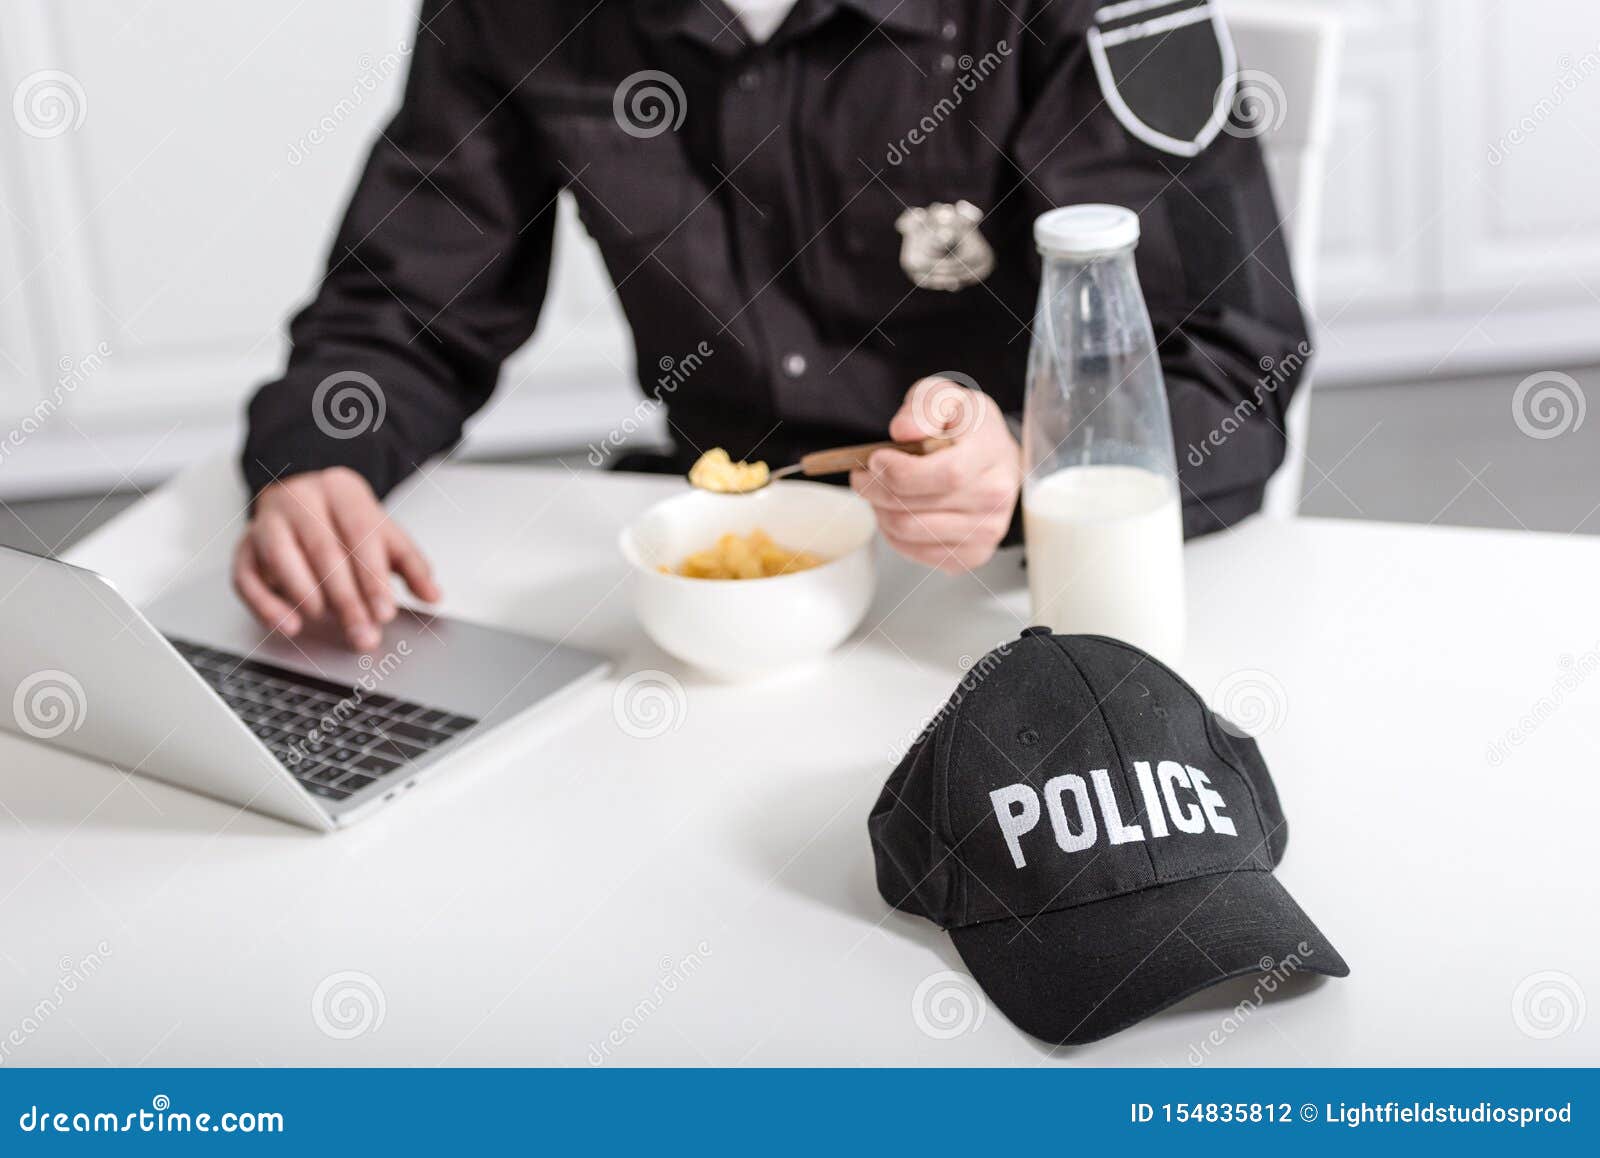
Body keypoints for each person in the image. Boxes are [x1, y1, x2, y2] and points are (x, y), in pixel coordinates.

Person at [237, 0, 1309, 650]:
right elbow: (408, 306)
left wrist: (1033, 466)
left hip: (1013, 597)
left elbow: (1231, 363)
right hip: (728, 578)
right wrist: (323, 453)